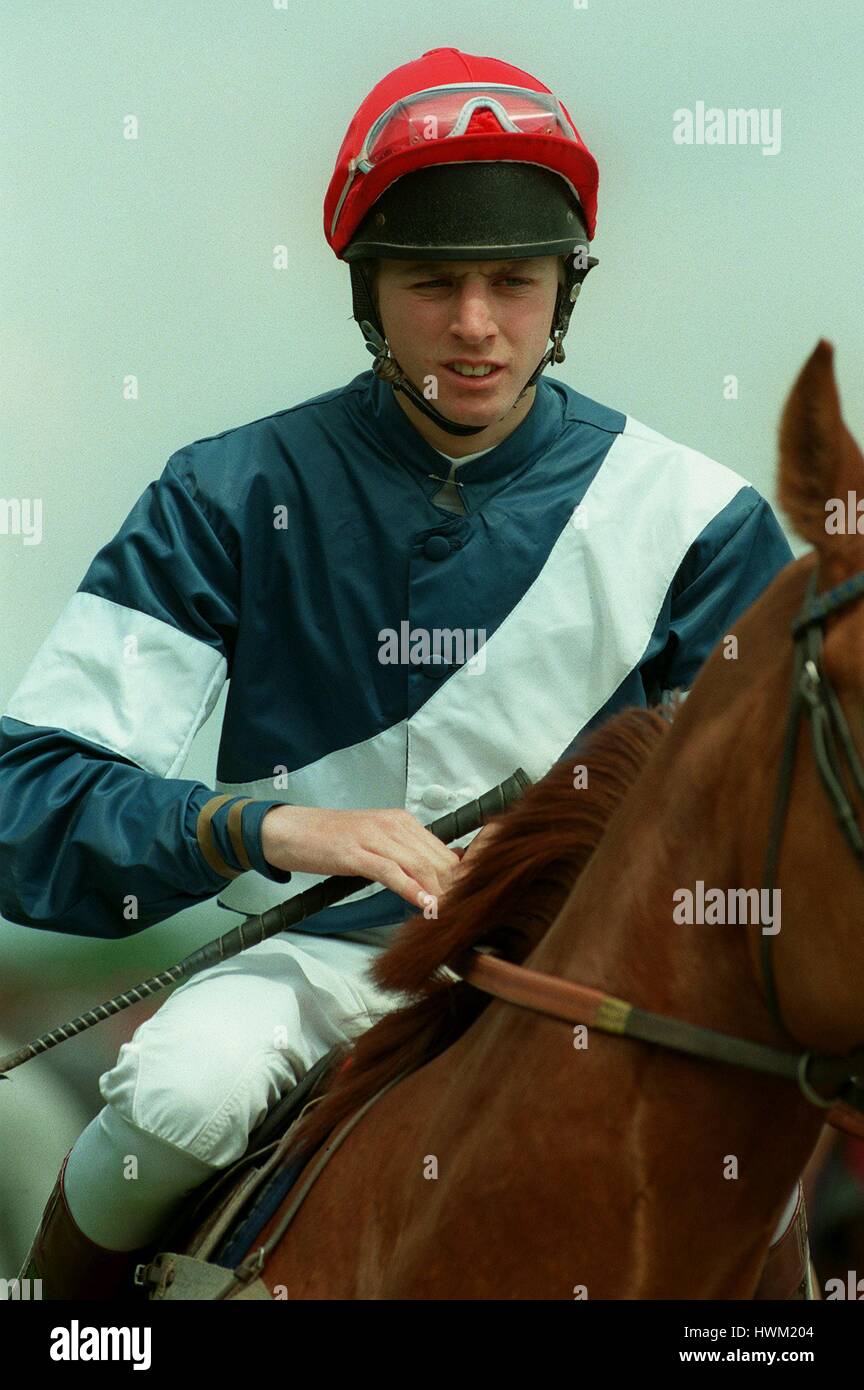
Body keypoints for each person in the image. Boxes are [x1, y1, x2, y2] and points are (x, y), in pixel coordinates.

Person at [1, 46, 805, 1299]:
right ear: (368, 292)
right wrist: (271, 825)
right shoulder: (229, 492)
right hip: (316, 965)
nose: (477, 325)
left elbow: (761, 844)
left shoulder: (704, 522)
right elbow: (27, 800)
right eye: (434, 281)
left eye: (514, 282)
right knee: (175, 1096)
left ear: (565, 290)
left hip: (585, 989)